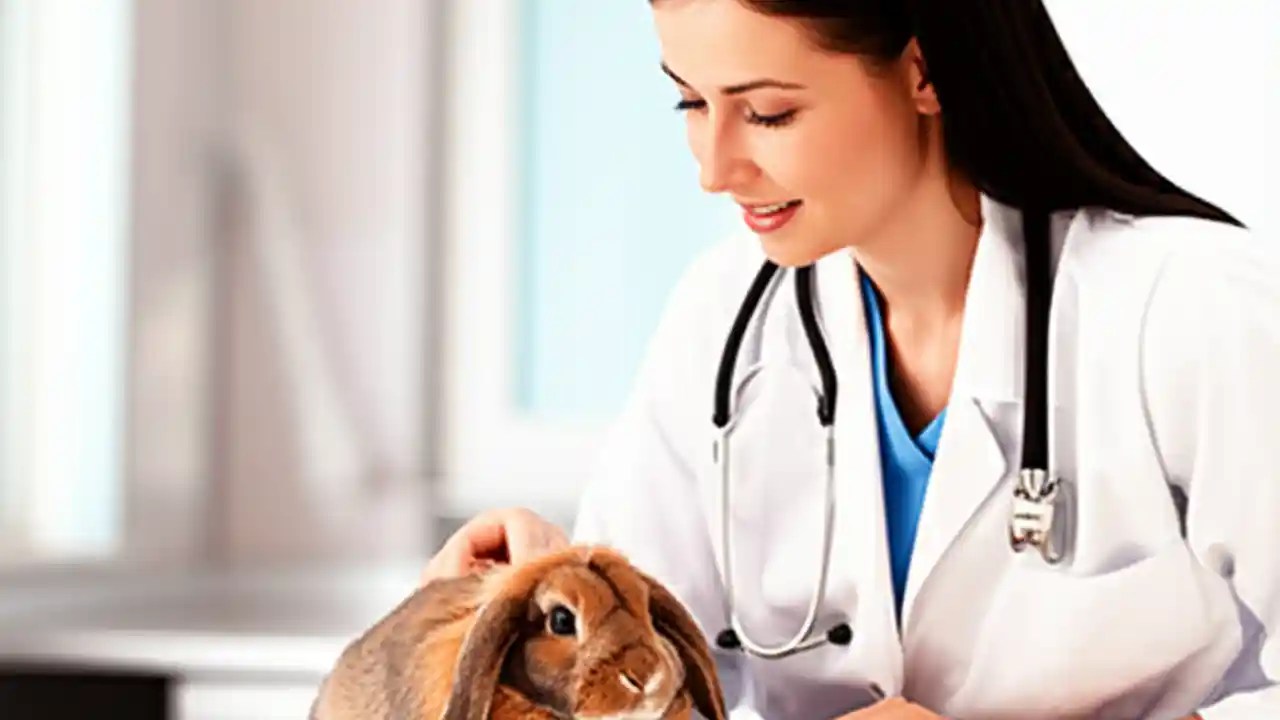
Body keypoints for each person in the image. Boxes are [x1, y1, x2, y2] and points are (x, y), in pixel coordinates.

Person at [424, 1, 1279, 718]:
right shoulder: (722, 322)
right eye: (689, 104)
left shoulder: (1187, 310)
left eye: (767, 113)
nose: (714, 170)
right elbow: (646, 694)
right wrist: (538, 605)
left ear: (923, 71)